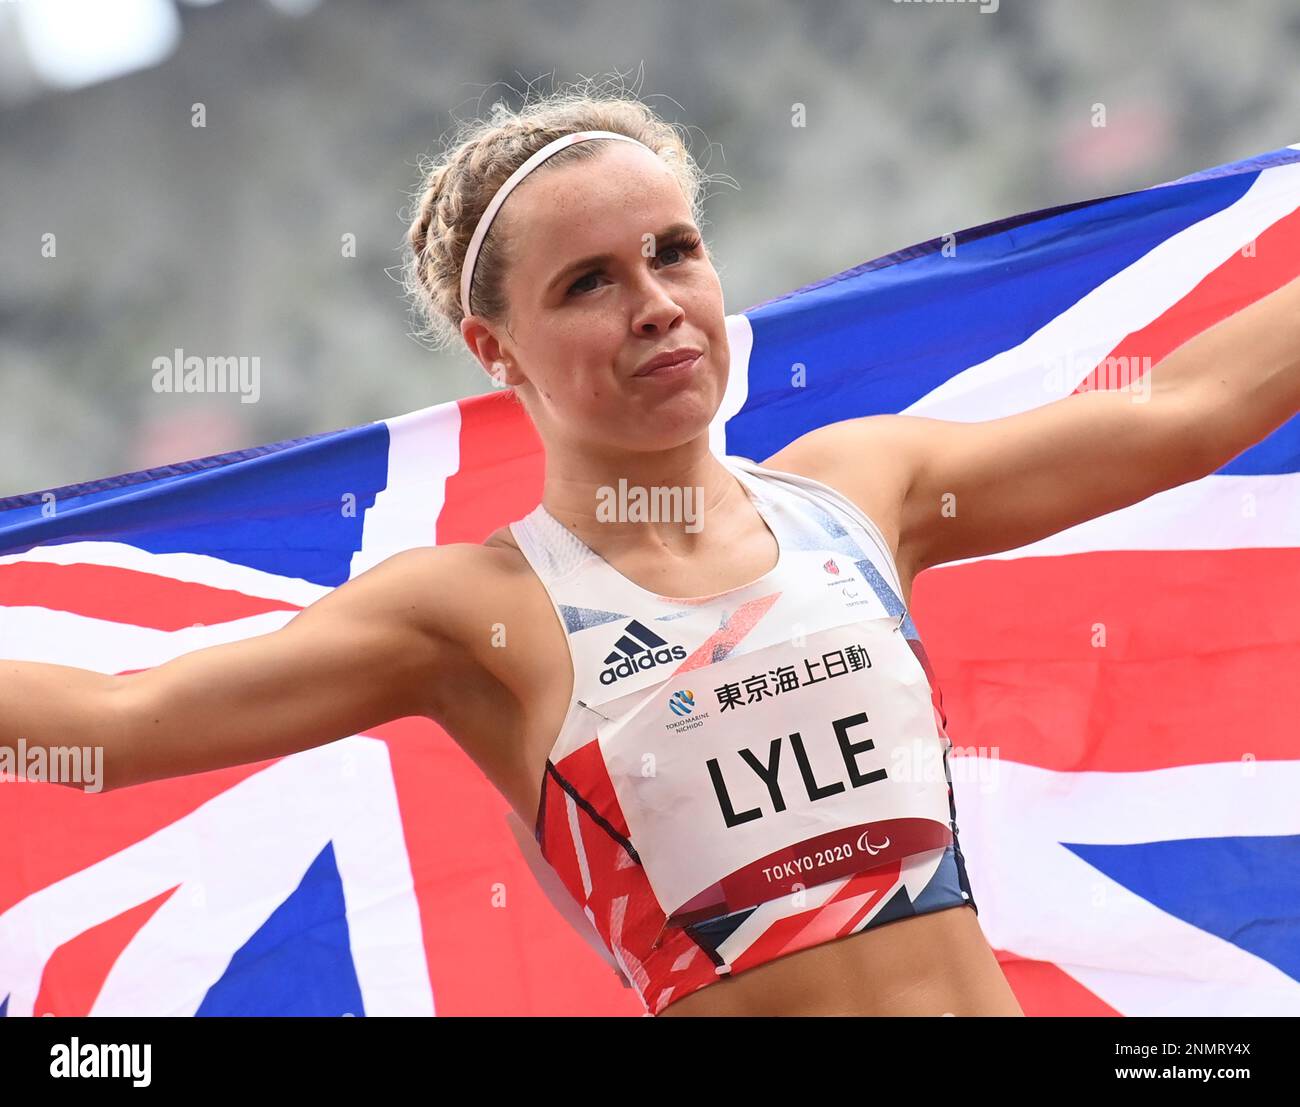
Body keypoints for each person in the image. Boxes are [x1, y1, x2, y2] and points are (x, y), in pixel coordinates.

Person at [7, 83, 1298, 1018]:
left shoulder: (865, 486)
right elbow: (117, 728)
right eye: (589, 283)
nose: (659, 306)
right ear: (494, 349)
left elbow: (1180, 414)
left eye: (676, 252)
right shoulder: (473, 616)